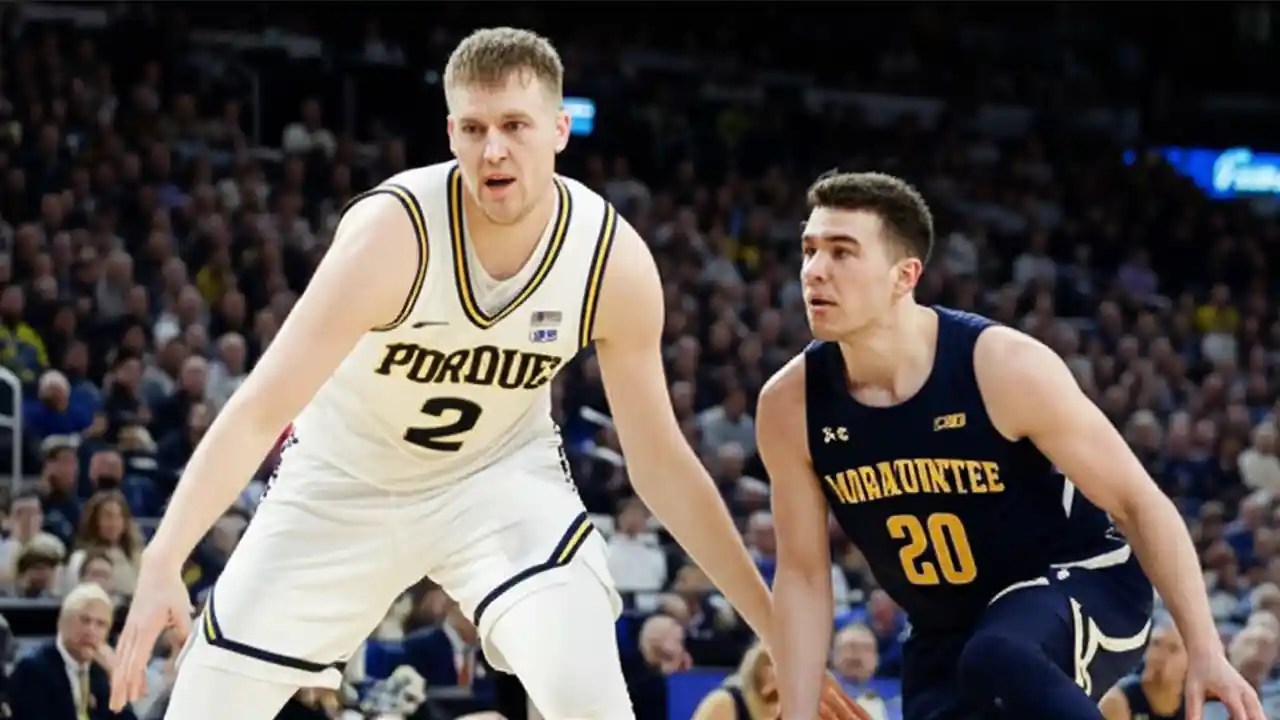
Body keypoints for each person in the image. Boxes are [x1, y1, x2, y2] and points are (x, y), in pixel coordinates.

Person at [107, 27, 860, 720]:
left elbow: (661, 464)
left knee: (587, 692)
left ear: (560, 130)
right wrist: (166, 554)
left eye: (515, 126)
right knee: (203, 707)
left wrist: (778, 631)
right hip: (342, 482)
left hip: (497, 481)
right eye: (473, 129)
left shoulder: (612, 260)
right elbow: (260, 405)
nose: (492, 149)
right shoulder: (392, 234)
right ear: (450, 134)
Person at [756, 170, 1265, 719]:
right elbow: (805, 574)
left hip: (1087, 585)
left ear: (905, 276)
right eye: (809, 250)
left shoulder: (1001, 366)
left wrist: (1206, 649)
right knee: (984, 659)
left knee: (1000, 655)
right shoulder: (790, 404)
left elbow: (1139, 502)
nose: (815, 271)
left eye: (842, 252)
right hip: (945, 629)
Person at [1099, 618, 1187, 719]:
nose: (1160, 655)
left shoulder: (1193, 704)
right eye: (1156, 644)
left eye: (1172, 649)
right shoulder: (1118, 700)